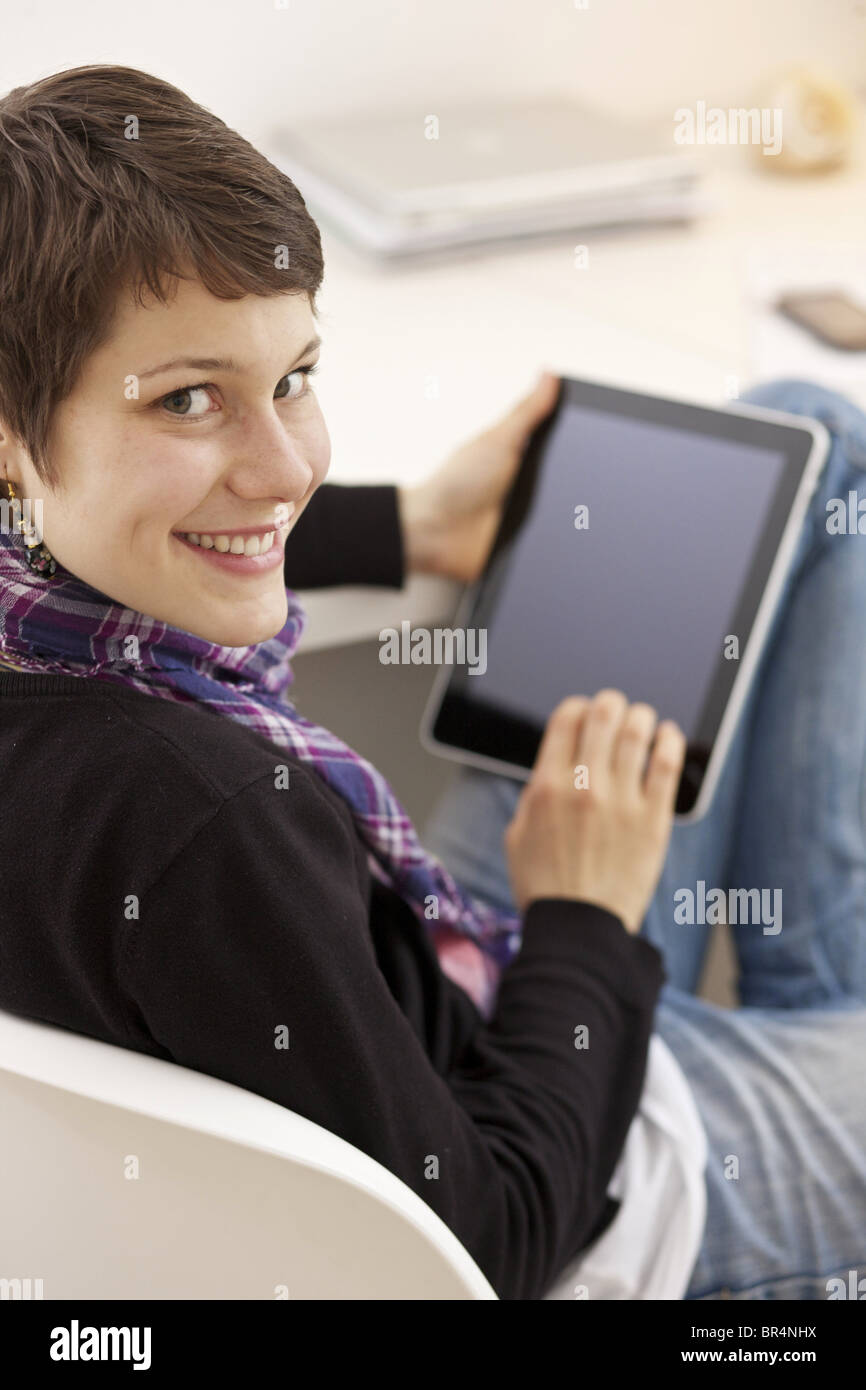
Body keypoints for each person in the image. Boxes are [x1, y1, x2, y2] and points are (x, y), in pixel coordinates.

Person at [0, 63, 862, 1304]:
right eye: (191, 399)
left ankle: (813, 1009)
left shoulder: (65, 646)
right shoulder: (212, 820)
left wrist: (408, 524)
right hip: (586, 1178)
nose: (287, 465)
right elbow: (486, 1251)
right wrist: (585, 917)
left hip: (436, 977)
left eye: (292, 376)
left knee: (807, 431)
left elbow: (152, 503)